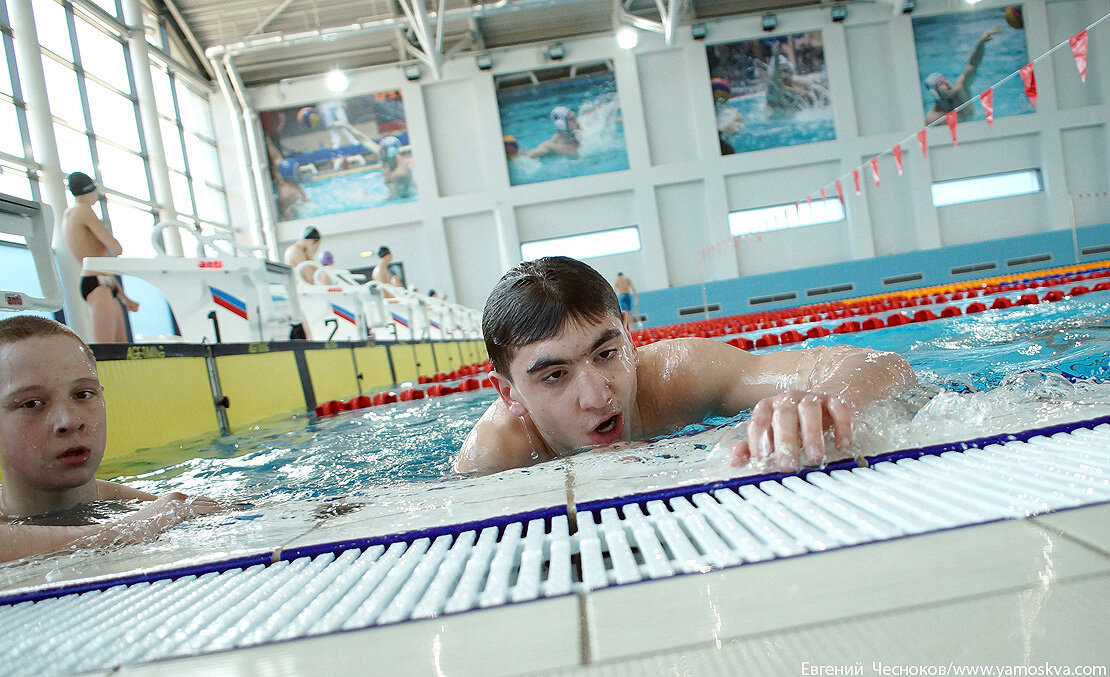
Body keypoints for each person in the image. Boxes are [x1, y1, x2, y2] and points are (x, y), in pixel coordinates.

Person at [454, 257, 916, 475]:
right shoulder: (492, 457)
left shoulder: (679, 372)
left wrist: (821, 405)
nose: (598, 397)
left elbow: (880, 364)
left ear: (631, 343)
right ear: (509, 393)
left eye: (606, 354)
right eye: (555, 376)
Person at [0, 316, 218, 562]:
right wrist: (135, 528)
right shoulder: (152, 515)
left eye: (83, 394)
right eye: (32, 403)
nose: (69, 421)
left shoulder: (151, 506)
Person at [61, 172, 140, 344]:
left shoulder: (69, 213)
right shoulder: (85, 211)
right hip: (97, 284)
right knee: (108, 349)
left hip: (101, 280)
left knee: (120, 349)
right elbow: (116, 248)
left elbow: (99, 263)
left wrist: (124, 297)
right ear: (91, 190)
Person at [923, 26, 1001, 125]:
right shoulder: (933, 119)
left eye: (946, 80)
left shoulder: (961, 89)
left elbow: (972, 65)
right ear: (935, 93)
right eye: (941, 83)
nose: (947, 83)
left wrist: (980, 44)